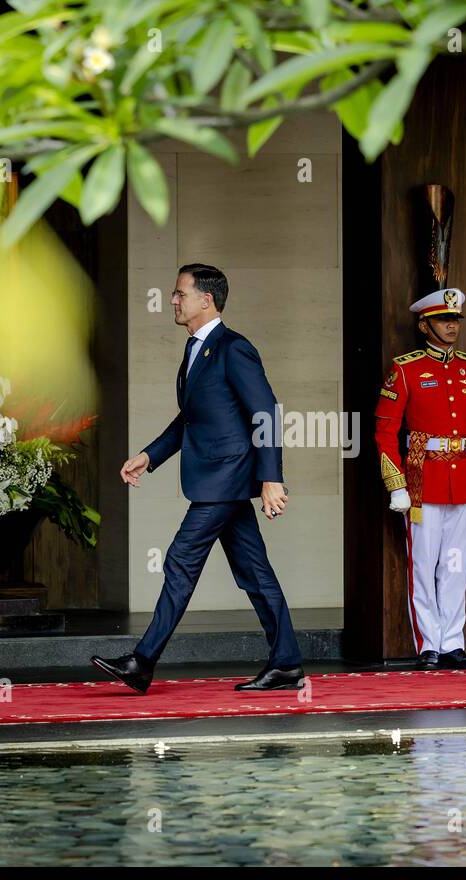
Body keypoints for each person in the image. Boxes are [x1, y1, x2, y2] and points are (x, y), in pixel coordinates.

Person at [92, 263, 305, 694]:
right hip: (217, 482)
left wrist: (271, 479)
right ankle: (286, 663)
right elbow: (190, 420)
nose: (172, 300)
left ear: (205, 299)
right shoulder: (194, 351)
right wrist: (149, 456)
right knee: (254, 572)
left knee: (179, 562)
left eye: (179, 293)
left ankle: (143, 661)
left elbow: (266, 414)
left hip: (226, 480)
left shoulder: (233, 348)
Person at [373, 288, 466, 670]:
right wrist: (397, 484)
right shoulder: (406, 368)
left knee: (456, 566)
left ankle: (453, 643)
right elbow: (384, 431)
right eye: (444, 320)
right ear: (424, 324)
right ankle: (428, 644)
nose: (451, 326)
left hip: (461, 477)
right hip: (421, 478)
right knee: (423, 565)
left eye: (456, 320)